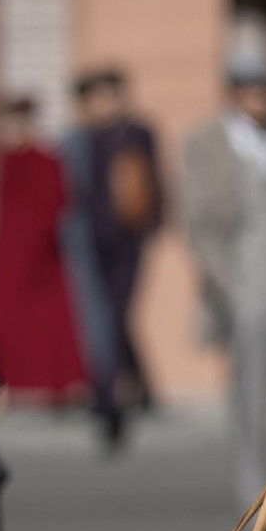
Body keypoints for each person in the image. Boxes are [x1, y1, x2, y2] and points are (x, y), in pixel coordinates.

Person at [182, 45, 266, 499]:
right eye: (251, 87)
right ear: (235, 91)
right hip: (244, 277)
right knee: (252, 390)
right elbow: (199, 223)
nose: (260, 96)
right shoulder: (208, 141)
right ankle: (254, 489)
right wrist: (228, 285)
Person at [58, 67, 162, 450]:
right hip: (89, 241)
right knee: (100, 316)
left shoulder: (137, 134)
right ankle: (122, 391)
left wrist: (154, 224)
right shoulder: (80, 138)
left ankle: (110, 397)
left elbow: (155, 182)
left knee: (116, 314)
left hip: (128, 239)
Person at [0, 95, 91, 404]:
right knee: (11, 317)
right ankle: (11, 380)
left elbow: (55, 202)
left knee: (45, 319)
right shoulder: (7, 158)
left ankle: (55, 382)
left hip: (38, 251)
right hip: (11, 248)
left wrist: (37, 244)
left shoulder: (44, 158)